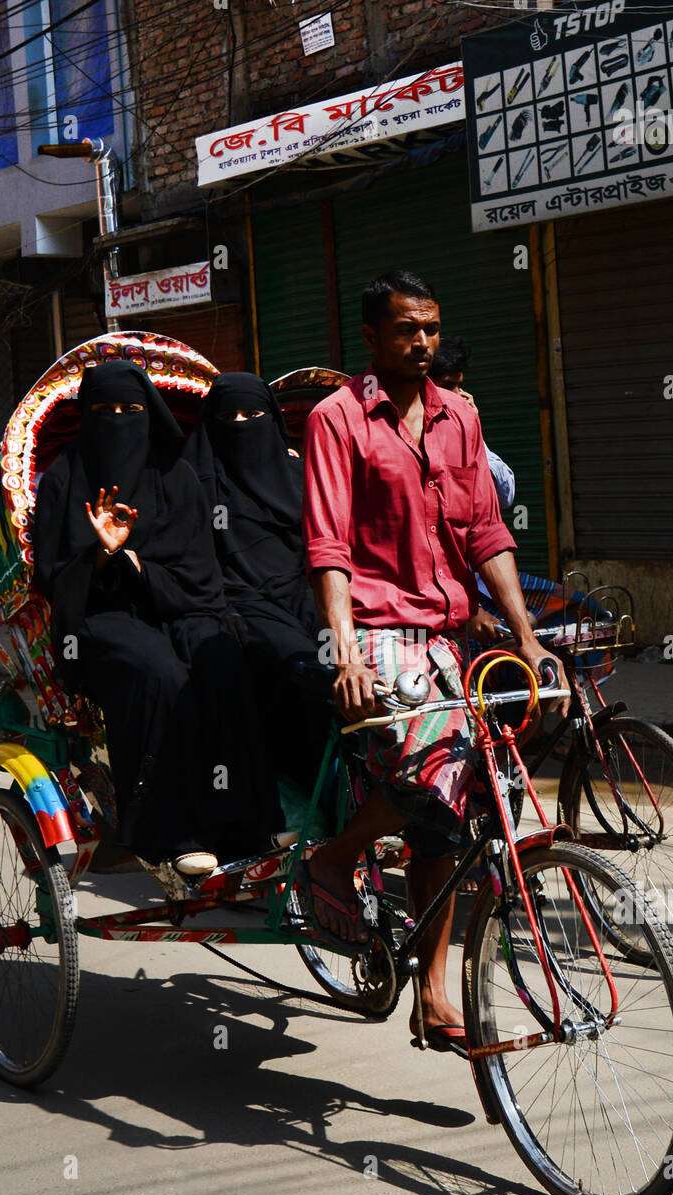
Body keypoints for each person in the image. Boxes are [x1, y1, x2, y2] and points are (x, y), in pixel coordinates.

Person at [301, 269, 566, 1051]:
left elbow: (487, 534)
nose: (424, 343)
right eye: (407, 330)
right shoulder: (336, 418)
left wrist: (525, 634)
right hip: (378, 629)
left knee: (462, 810)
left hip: (451, 629)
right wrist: (344, 653)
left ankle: (434, 989)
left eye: (431, 329)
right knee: (430, 772)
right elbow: (328, 545)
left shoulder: (460, 420)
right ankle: (335, 856)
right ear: (373, 338)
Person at [33, 360, 281, 875]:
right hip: (100, 615)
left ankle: (242, 823)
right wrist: (102, 557)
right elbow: (52, 579)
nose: (120, 421)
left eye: (131, 410)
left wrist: (140, 565)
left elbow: (198, 570)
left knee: (222, 663)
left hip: (180, 605)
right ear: (87, 418)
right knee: (159, 675)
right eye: (105, 412)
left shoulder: (177, 476)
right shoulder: (64, 478)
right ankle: (170, 831)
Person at [182, 372, 331, 799]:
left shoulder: (300, 473)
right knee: (303, 667)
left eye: (253, 414)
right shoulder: (197, 482)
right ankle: (306, 790)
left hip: (306, 591)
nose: (242, 425)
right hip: (241, 601)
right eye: (229, 416)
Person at [429, 336, 515, 511]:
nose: (458, 395)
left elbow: (505, 494)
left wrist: (470, 431)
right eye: (448, 386)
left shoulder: (463, 423)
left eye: (458, 386)